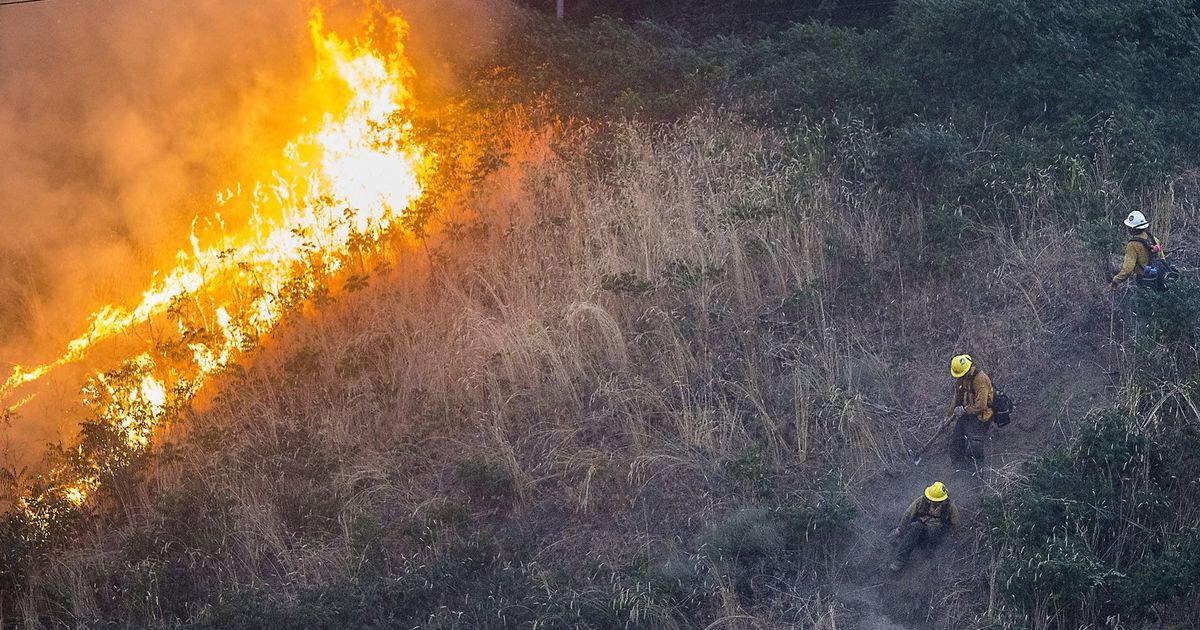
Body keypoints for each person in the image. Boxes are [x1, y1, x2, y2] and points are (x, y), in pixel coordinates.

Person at [889, 481, 961, 572]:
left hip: (936, 535)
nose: (934, 502)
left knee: (934, 529)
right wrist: (900, 529)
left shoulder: (950, 507)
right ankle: (899, 560)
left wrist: (954, 541)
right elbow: (908, 513)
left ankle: (930, 552)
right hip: (919, 532)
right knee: (915, 527)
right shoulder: (921, 501)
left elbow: (956, 524)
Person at [949, 354, 993, 462]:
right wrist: (949, 415)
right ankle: (958, 471)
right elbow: (957, 397)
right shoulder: (961, 379)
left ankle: (976, 473)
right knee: (956, 443)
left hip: (981, 415)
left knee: (974, 447)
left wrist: (964, 410)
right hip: (967, 413)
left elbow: (981, 406)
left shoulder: (980, 379)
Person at [1109, 210, 1165, 291]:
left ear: (1132, 229)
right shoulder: (1154, 239)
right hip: (1159, 278)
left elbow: (1127, 270)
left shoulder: (1132, 245)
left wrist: (1115, 281)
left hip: (1143, 280)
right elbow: (1162, 259)